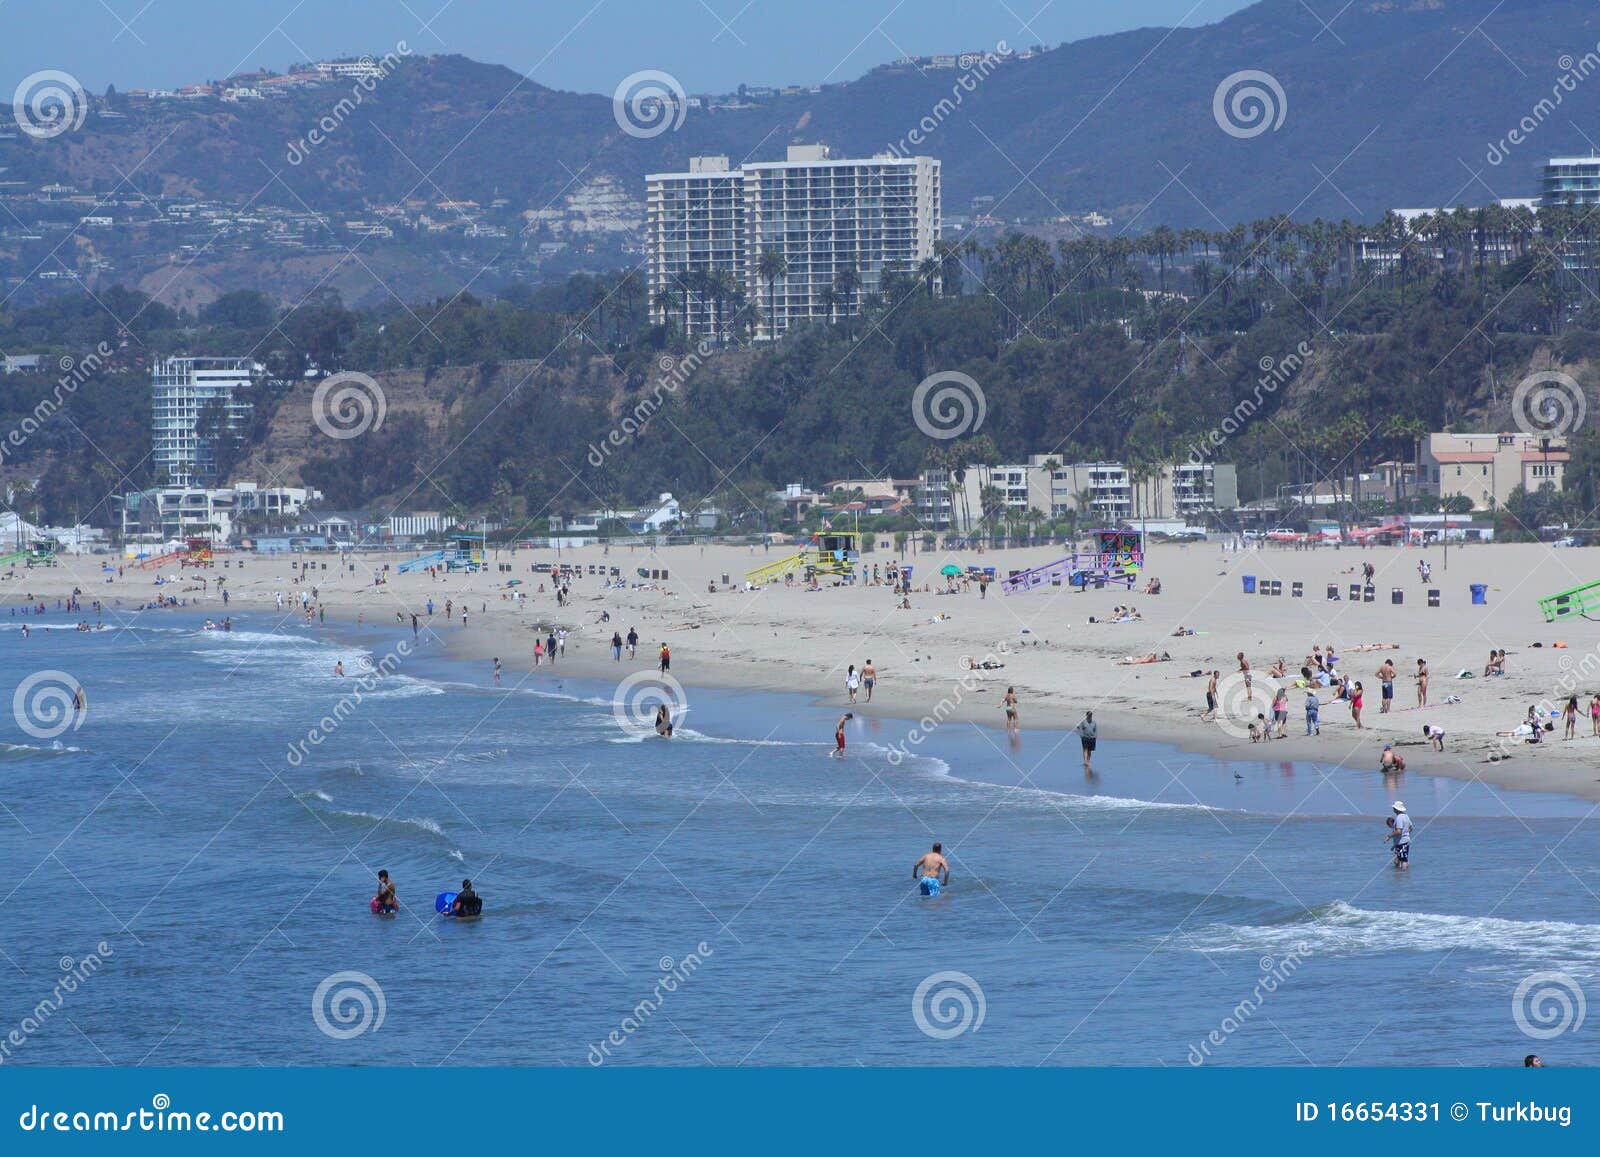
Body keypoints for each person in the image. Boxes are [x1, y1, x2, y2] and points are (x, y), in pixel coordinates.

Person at [1388, 801, 1412, 868]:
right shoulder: (1406, 816)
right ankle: (1402, 872)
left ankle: (1403, 872)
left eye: (1394, 808)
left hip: (1401, 842)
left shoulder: (1399, 817)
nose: (1393, 809)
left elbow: (1398, 831)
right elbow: (1411, 828)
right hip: (1405, 841)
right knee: (1403, 859)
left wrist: (1388, 836)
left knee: (1403, 860)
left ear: (1397, 809)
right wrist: (1406, 834)